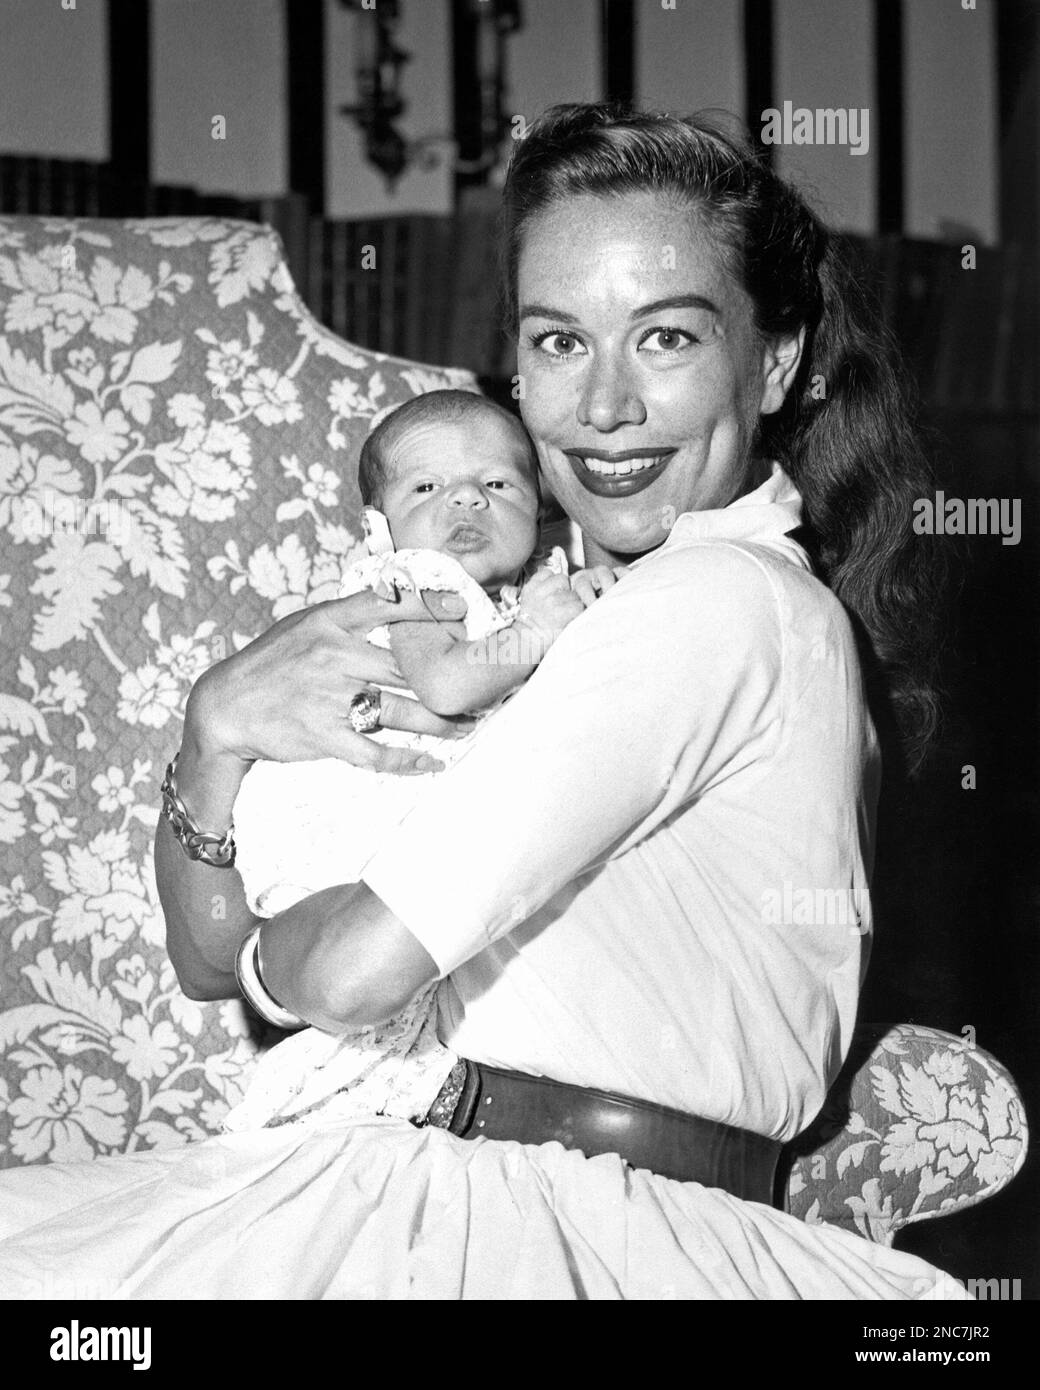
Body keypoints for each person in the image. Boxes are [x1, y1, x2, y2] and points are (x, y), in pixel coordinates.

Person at [0, 103, 969, 1300]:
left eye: (664, 339)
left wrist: (281, 950)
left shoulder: (716, 598)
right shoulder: (557, 611)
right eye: (559, 343)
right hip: (437, 1185)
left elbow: (344, 975)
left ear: (773, 361)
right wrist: (217, 730)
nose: (601, 407)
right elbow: (207, 964)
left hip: (564, 1226)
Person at [226, 388, 618, 1133]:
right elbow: (445, 686)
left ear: (540, 511)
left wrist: (571, 604)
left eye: (497, 485)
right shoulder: (417, 586)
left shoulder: (516, 589)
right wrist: (536, 635)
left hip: (371, 864)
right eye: (428, 487)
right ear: (381, 528)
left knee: (411, 1022)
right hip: (334, 827)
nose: (466, 501)